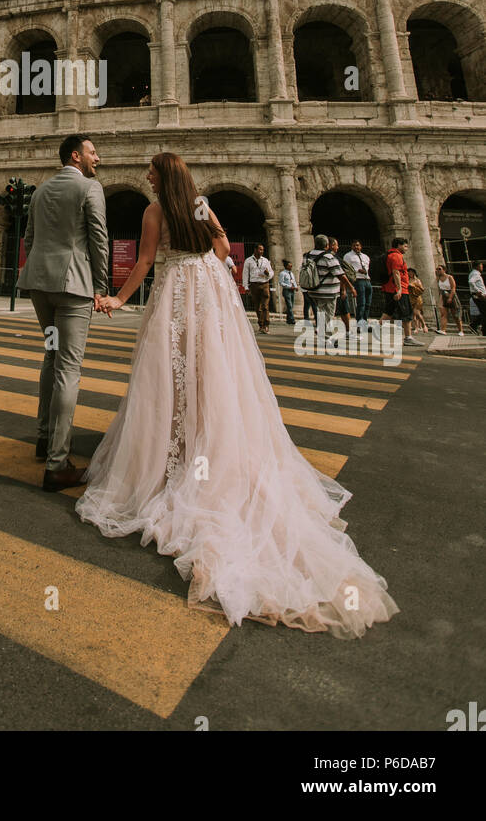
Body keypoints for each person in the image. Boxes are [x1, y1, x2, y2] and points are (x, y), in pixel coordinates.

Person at [79, 152, 398, 638]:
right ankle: (207, 450)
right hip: (207, 289)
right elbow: (224, 246)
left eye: (152, 171)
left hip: (176, 290)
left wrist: (119, 299)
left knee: (170, 373)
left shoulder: (154, 211)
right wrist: (205, 266)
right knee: (217, 371)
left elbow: (145, 259)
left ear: (165, 178)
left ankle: (176, 455)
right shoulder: (201, 205)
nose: (147, 176)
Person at [17, 134, 109, 490]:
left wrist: (37, 269)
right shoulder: (90, 188)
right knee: (69, 369)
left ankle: (43, 438)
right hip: (73, 286)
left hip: (40, 285)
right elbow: (99, 239)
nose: (97, 158)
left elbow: (29, 238)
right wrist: (101, 287)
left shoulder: (39, 191)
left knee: (51, 358)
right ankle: (57, 464)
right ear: (76, 155)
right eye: (92, 152)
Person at [301, 234, 344, 347]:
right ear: (326, 245)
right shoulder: (328, 257)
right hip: (328, 291)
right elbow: (340, 274)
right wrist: (351, 288)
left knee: (320, 313)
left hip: (313, 290)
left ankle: (322, 335)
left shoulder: (307, 255)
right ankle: (327, 338)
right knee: (329, 314)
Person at [383, 237, 418, 346]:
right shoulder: (397, 256)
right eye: (405, 246)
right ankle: (408, 337)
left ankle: (373, 330)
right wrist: (399, 289)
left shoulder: (389, 255)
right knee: (406, 313)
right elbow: (396, 272)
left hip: (390, 288)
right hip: (399, 289)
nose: (406, 248)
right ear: (398, 245)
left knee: (388, 312)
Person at [242, 243, 274, 334]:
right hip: (254, 285)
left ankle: (266, 325)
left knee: (265, 306)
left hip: (264, 284)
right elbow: (245, 274)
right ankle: (261, 325)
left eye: (263, 250)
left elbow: (272, 273)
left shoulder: (265, 261)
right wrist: (246, 286)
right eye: (260, 249)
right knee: (257, 307)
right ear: (255, 250)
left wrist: (268, 274)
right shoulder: (248, 261)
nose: (262, 251)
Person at [329, 238, 356, 332]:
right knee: (344, 310)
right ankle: (348, 331)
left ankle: (324, 331)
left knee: (326, 311)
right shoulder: (333, 258)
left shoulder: (321, 257)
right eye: (336, 245)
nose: (338, 247)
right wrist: (345, 289)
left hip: (325, 289)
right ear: (331, 246)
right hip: (336, 288)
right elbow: (341, 274)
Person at [344, 239, 372, 323]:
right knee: (361, 302)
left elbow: (367, 267)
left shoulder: (365, 256)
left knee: (368, 303)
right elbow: (346, 268)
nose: (356, 247)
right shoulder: (348, 256)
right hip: (358, 280)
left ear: (360, 246)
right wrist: (357, 270)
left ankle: (365, 320)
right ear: (352, 246)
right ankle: (359, 321)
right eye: (354, 245)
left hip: (367, 280)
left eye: (358, 245)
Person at [435, 265, 463, 336]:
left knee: (455, 315)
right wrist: (440, 300)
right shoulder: (438, 278)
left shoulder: (449, 277)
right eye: (437, 269)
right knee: (443, 314)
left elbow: (453, 288)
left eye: (439, 269)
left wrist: (450, 297)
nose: (438, 270)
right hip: (443, 295)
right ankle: (443, 330)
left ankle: (460, 330)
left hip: (451, 295)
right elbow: (440, 290)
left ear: (444, 270)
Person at [407, 267, 428, 334]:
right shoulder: (407, 280)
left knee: (417, 313)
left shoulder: (417, 280)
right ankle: (416, 327)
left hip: (417, 298)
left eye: (411, 272)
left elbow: (422, 289)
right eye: (409, 272)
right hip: (410, 298)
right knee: (413, 314)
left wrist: (413, 287)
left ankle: (424, 324)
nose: (410, 273)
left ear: (414, 273)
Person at [467, 261, 486, 336]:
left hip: (478, 295)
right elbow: (471, 282)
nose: (482, 267)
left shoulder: (474, 273)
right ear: (477, 266)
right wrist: (478, 291)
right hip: (479, 296)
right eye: (481, 266)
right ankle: (477, 326)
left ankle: (475, 325)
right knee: (484, 312)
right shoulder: (475, 274)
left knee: (483, 312)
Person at [278, 258, 298, 325]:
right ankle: (292, 319)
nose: (291, 267)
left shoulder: (291, 273)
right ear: (286, 266)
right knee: (289, 305)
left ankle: (288, 319)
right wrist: (289, 286)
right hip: (287, 290)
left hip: (292, 290)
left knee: (291, 305)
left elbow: (293, 281)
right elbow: (281, 282)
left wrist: (295, 287)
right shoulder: (282, 273)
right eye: (290, 266)